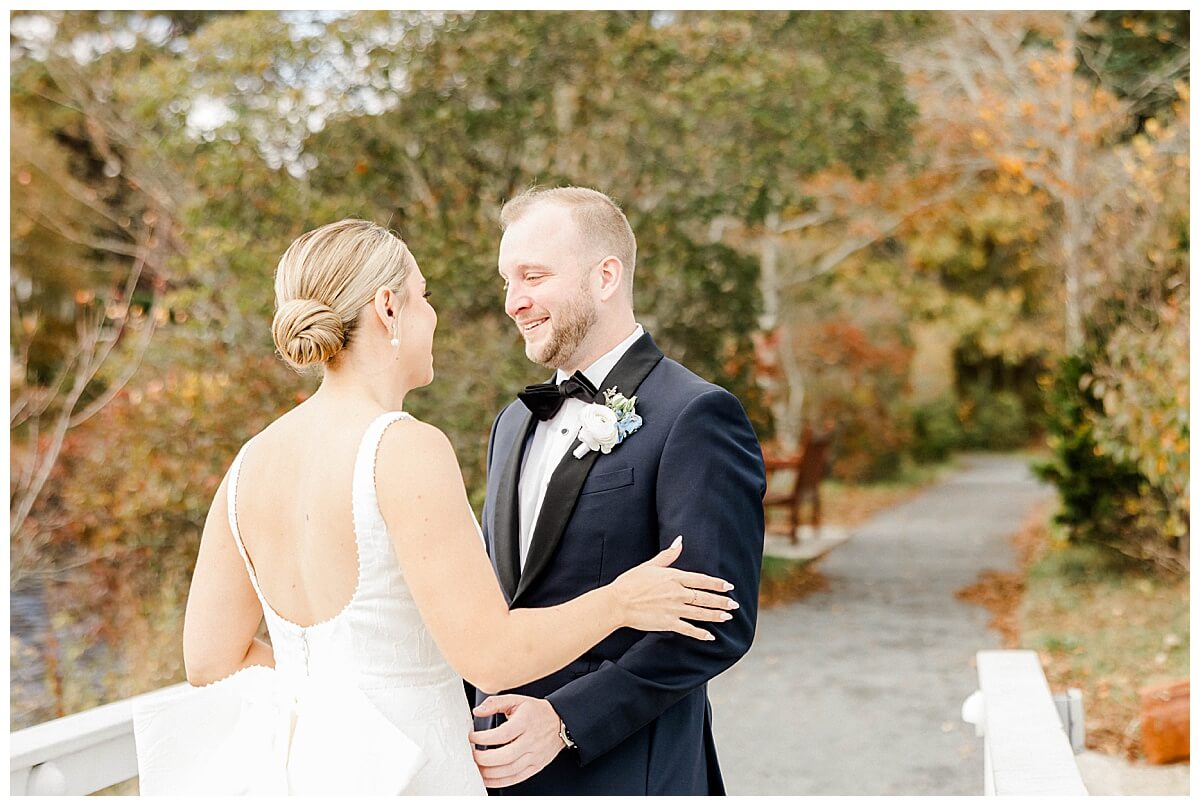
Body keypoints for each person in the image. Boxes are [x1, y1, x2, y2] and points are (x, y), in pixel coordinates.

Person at [130, 219, 739, 795]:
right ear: (387, 308)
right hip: (415, 768)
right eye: (423, 296)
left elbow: (208, 659)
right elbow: (490, 654)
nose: (433, 315)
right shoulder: (403, 447)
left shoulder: (248, 464)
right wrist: (623, 600)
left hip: (314, 773)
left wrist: (333, 702)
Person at [471, 187, 766, 795]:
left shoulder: (696, 414)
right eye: (507, 281)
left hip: (629, 770)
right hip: (494, 770)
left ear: (606, 277)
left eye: (533, 276)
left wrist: (565, 721)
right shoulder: (513, 423)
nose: (514, 302)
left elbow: (718, 621)